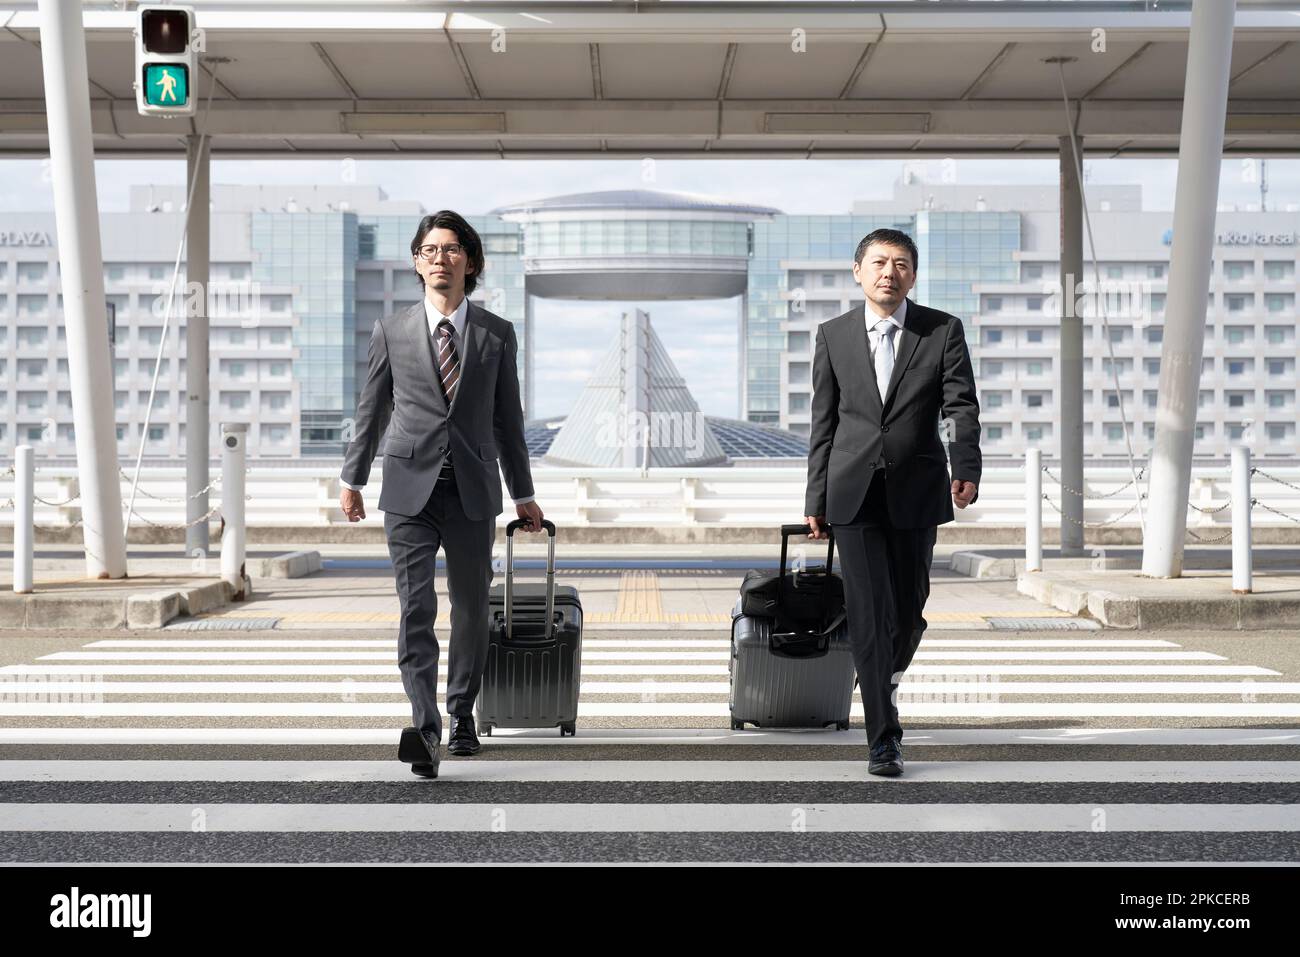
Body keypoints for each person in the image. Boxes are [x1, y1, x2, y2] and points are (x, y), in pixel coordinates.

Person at [339, 210, 544, 779]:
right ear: (416, 262)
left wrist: (523, 492)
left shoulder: (497, 334)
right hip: (408, 489)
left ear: (470, 262)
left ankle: (461, 716)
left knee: (473, 610)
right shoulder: (393, 331)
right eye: (428, 250)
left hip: (473, 491)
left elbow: (508, 421)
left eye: (451, 250)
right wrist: (352, 479)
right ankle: (424, 724)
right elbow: (372, 410)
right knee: (416, 608)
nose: (439, 259)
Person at [803, 227, 981, 777]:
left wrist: (965, 466)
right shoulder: (832, 335)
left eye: (901, 264)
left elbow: (959, 406)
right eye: (878, 262)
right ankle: (884, 735)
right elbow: (824, 421)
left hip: (917, 491)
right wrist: (816, 496)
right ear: (858, 271)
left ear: (913, 275)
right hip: (852, 494)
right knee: (868, 615)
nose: (889, 272)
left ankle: (879, 674)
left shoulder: (941, 330)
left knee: (907, 614)